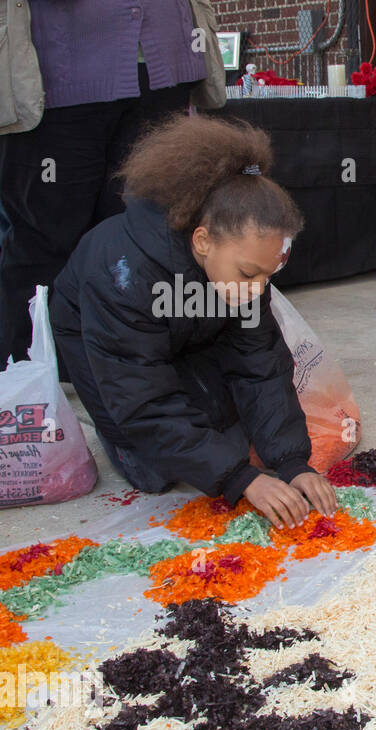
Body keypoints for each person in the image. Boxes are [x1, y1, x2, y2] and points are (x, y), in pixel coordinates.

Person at [49, 113, 336, 529]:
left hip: (184, 329)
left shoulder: (241, 269)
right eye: (248, 274)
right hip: (102, 346)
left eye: (268, 275)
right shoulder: (122, 275)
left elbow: (261, 365)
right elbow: (141, 397)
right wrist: (239, 478)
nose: (258, 289)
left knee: (232, 439)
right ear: (202, 240)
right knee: (158, 470)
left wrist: (292, 462)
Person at [0, 0, 221, 364]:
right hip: (55, 71)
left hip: (164, 63)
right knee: (45, 236)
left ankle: (136, 363)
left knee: (148, 235)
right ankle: (27, 369)